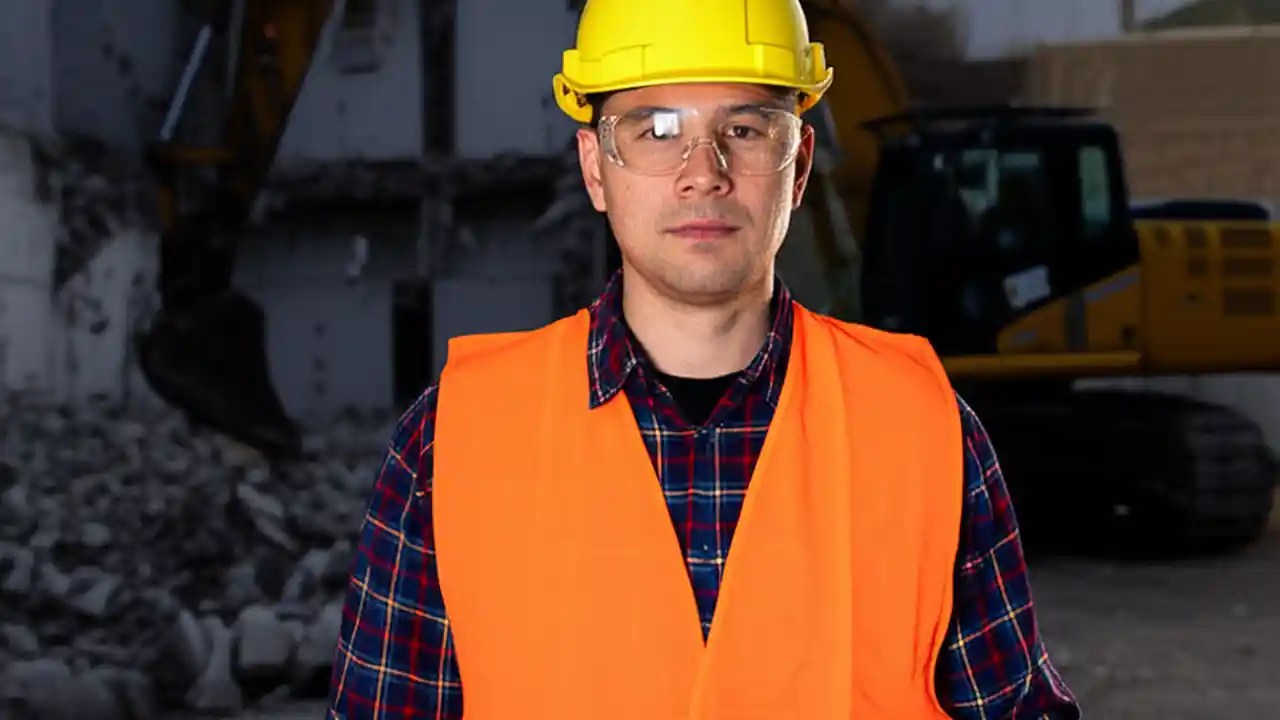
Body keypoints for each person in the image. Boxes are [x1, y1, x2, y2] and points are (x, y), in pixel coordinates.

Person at [326, 0, 1081, 717]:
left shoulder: (925, 430)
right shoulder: (452, 444)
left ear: (801, 162)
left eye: (746, 130)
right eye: (655, 130)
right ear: (594, 166)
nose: (703, 172)